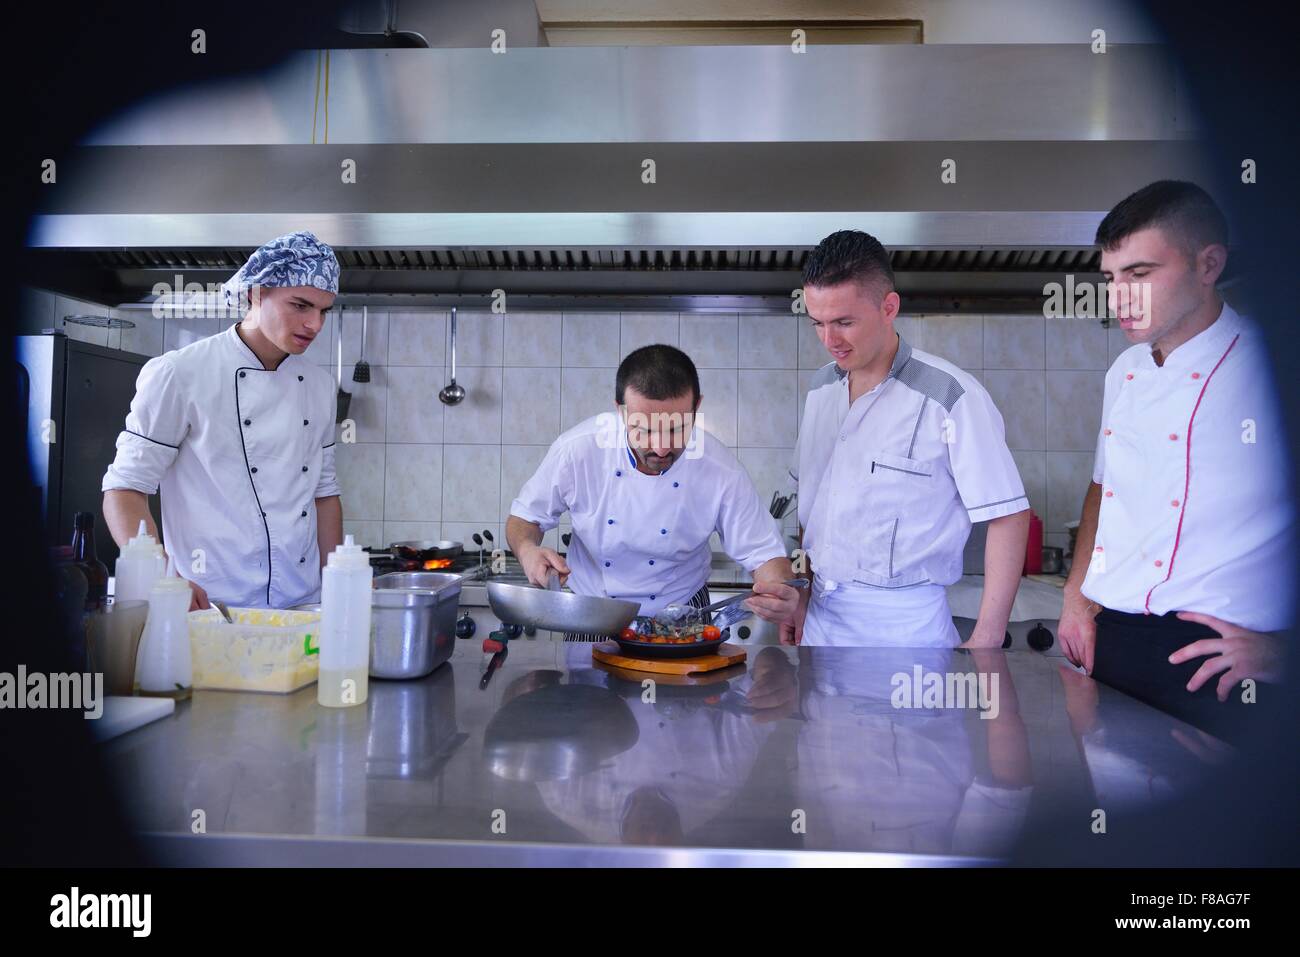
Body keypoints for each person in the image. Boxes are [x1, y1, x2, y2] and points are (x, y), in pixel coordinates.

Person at [1056, 181, 1292, 740]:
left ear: (1208, 264)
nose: (1119, 299)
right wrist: (1075, 597)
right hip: (1112, 644)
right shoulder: (1125, 373)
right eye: (1110, 278)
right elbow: (1102, 490)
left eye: (1139, 275)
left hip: (1218, 661)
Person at [789, 229, 1030, 647]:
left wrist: (989, 635)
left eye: (844, 322)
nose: (830, 341)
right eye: (818, 323)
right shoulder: (820, 389)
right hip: (821, 621)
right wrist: (800, 591)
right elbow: (810, 508)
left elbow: (1009, 515)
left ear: (889, 307)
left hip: (905, 629)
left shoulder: (950, 395)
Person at [102, 230, 344, 610]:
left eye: (323, 311)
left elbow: (324, 493)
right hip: (211, 608)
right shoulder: (179, 374)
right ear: (257, 293)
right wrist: (163, 577)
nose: (314, 324)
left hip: (304, 607)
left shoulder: (320, 385)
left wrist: (339, 585)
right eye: (300, 305)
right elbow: (124, 488)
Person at [506, 344, 802, 638]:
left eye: (676, 429)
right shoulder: (578, 450)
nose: (661, 448)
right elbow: (524, 518)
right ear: (620, 411)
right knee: (586, 686)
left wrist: (779, 592)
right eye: (645, 430)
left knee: (683, 687)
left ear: (696, 407)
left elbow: (765, 556)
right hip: (592, 613)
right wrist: (528, 551)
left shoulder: (720, 470)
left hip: (683, 618)